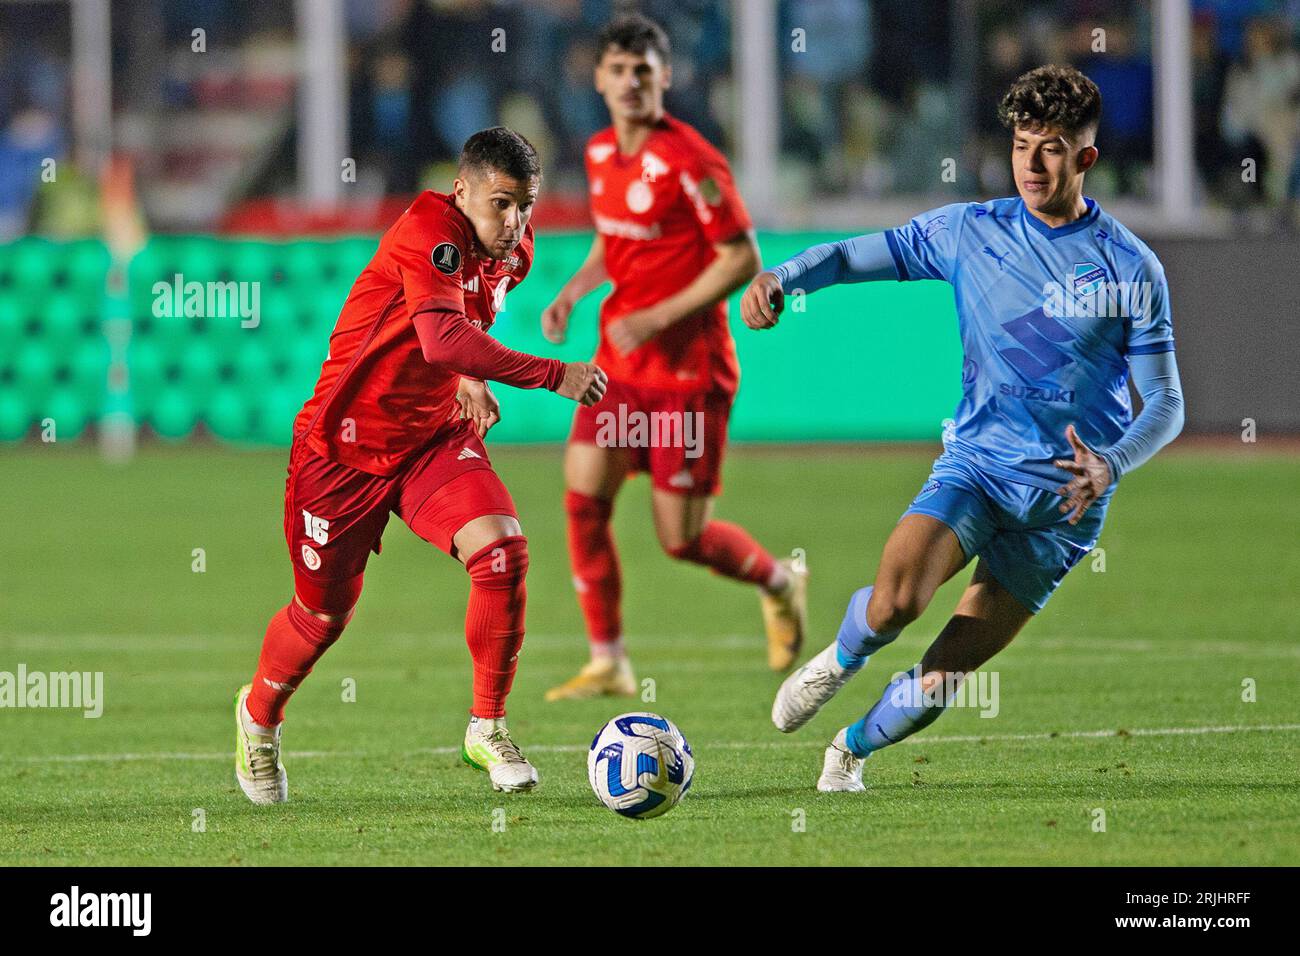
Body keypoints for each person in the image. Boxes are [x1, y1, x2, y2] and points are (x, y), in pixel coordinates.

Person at [742, 65, 1185, 791]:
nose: (1032, 164)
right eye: (1020, 145)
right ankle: (840, 659)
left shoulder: (1131, 265)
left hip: (1064, 511)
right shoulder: (969, 232)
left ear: (1086, 158)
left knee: (945, 676)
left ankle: (849, 752)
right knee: (896, 601)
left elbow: (1166, 403)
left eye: (1050, 147)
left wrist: (1111, 463)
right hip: (978, 469)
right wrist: (784, 278)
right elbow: (858, 256)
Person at [235, 127, 607, 802]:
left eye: (525, 203)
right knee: (321, 618)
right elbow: (439, 340)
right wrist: (553, 375)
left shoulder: (515, 250)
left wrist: (470, 379)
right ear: (461, 191)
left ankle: (486, 726)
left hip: (430, 438)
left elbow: (462, 327)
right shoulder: (428, 229)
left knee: (503, 553)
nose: (515, 220)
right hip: (342, 451)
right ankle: (258, 721)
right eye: (500, 203)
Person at [542, 14, 807, 702]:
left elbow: (741, 258)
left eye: (643, 70)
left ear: (666, 77)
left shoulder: (692, 160)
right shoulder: (600, 154)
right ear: (597, 77)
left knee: (679, 539)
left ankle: (780, 581)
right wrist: (573, 293)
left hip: (688, 378)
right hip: (618, 371)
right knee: (582, 500)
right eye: (619, 69)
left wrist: (659, 314)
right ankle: (608, 659)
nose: (630, 82)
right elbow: (616, 239)